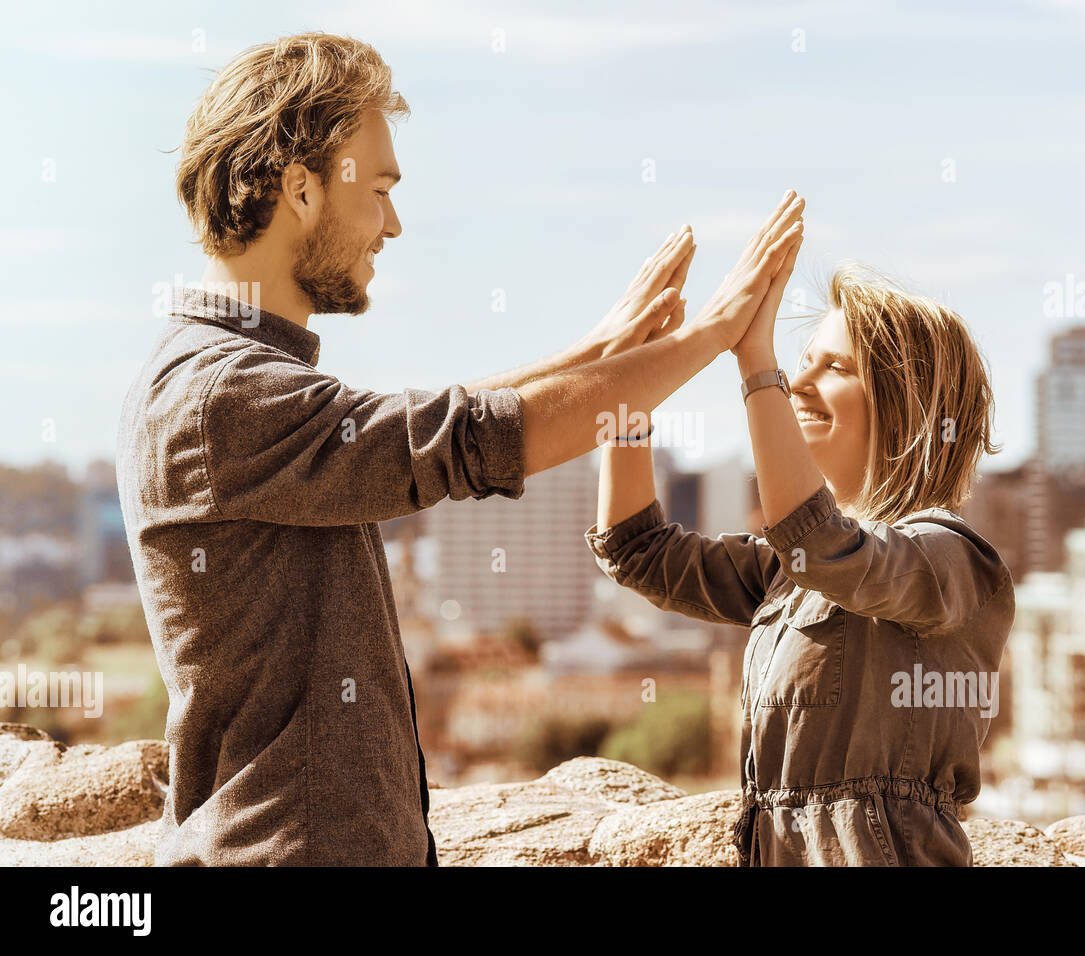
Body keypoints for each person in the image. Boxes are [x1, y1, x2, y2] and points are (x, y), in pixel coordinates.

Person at [116, 30, 803, 865]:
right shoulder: (223, 393)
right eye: (376, 189)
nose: (393, 223)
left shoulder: (224, 375)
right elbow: (467, 439)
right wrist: (714, 339)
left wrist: (602, 354)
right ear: (300, 188)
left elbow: (441, 419)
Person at [587, 256, 1015, 865]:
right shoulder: (789, 570)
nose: (797, 380)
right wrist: (629, 383)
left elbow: (822, 545)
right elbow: (640, 551)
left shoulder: (953, 559)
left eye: (835, 365)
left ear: (905, 402)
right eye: (801, 360)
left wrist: (754, 364)